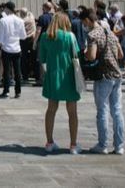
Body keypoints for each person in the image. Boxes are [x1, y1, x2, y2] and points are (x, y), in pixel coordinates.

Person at [81, 10, 124, 155]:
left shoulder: (93, 35)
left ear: (87, 20)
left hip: (103, 76)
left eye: (83, 22)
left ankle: (102, 144)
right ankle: (119, 146)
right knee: (117, 111)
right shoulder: (109, 32)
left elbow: (92, 56)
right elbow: (120, 54)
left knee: (102, 111)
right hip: (117, 74)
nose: (83, 25)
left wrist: (85, 53)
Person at [39, 11, 81, 154]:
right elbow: (76, 54)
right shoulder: (70, 36)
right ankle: (73, 145)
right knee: (72, 111)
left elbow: (42, 59)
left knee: (51, 109)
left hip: (52, 75)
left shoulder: (45, 37)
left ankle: (49, 142)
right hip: (69, 76)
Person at [0, 1, 26, 99]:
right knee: (17, 71)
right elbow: (23, 36)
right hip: (17, 48)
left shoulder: (3, 20)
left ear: (7, 9)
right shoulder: (20, 21)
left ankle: (6, 91)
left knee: (6, 71)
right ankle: (18, 91)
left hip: (6, 48)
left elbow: (0, 37)